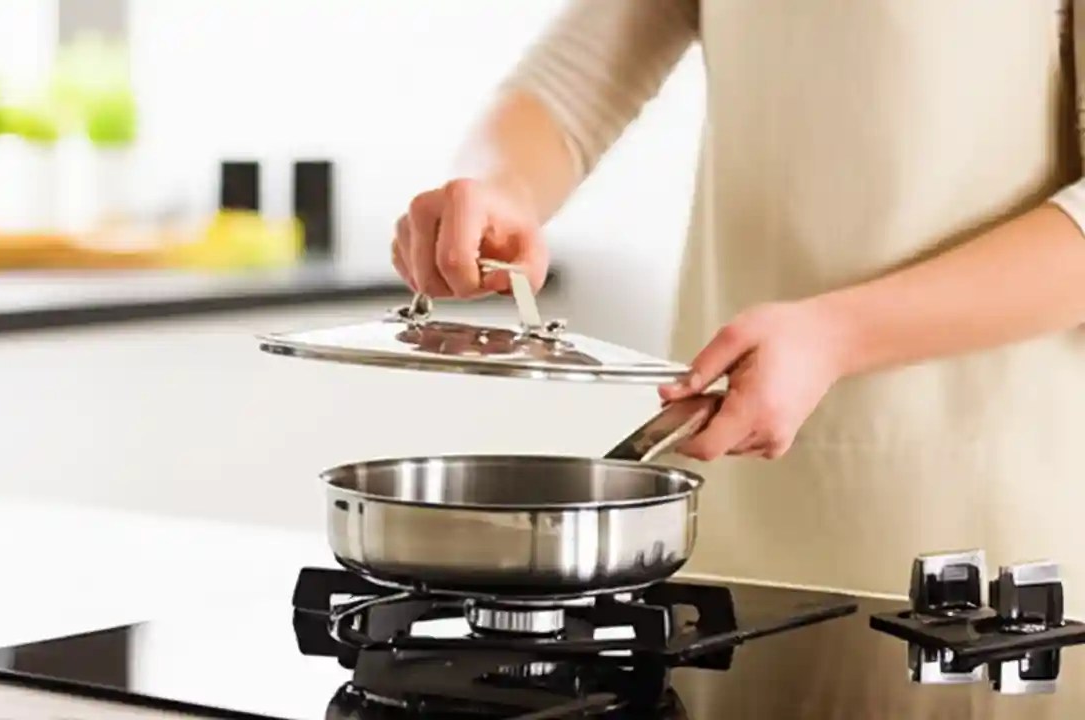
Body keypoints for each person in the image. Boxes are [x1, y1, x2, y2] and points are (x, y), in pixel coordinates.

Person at [390, 0, 1085, 607]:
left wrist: (837, 334)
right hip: (724, 535)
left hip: (983, 546)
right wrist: (494, 195)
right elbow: (566, 88)